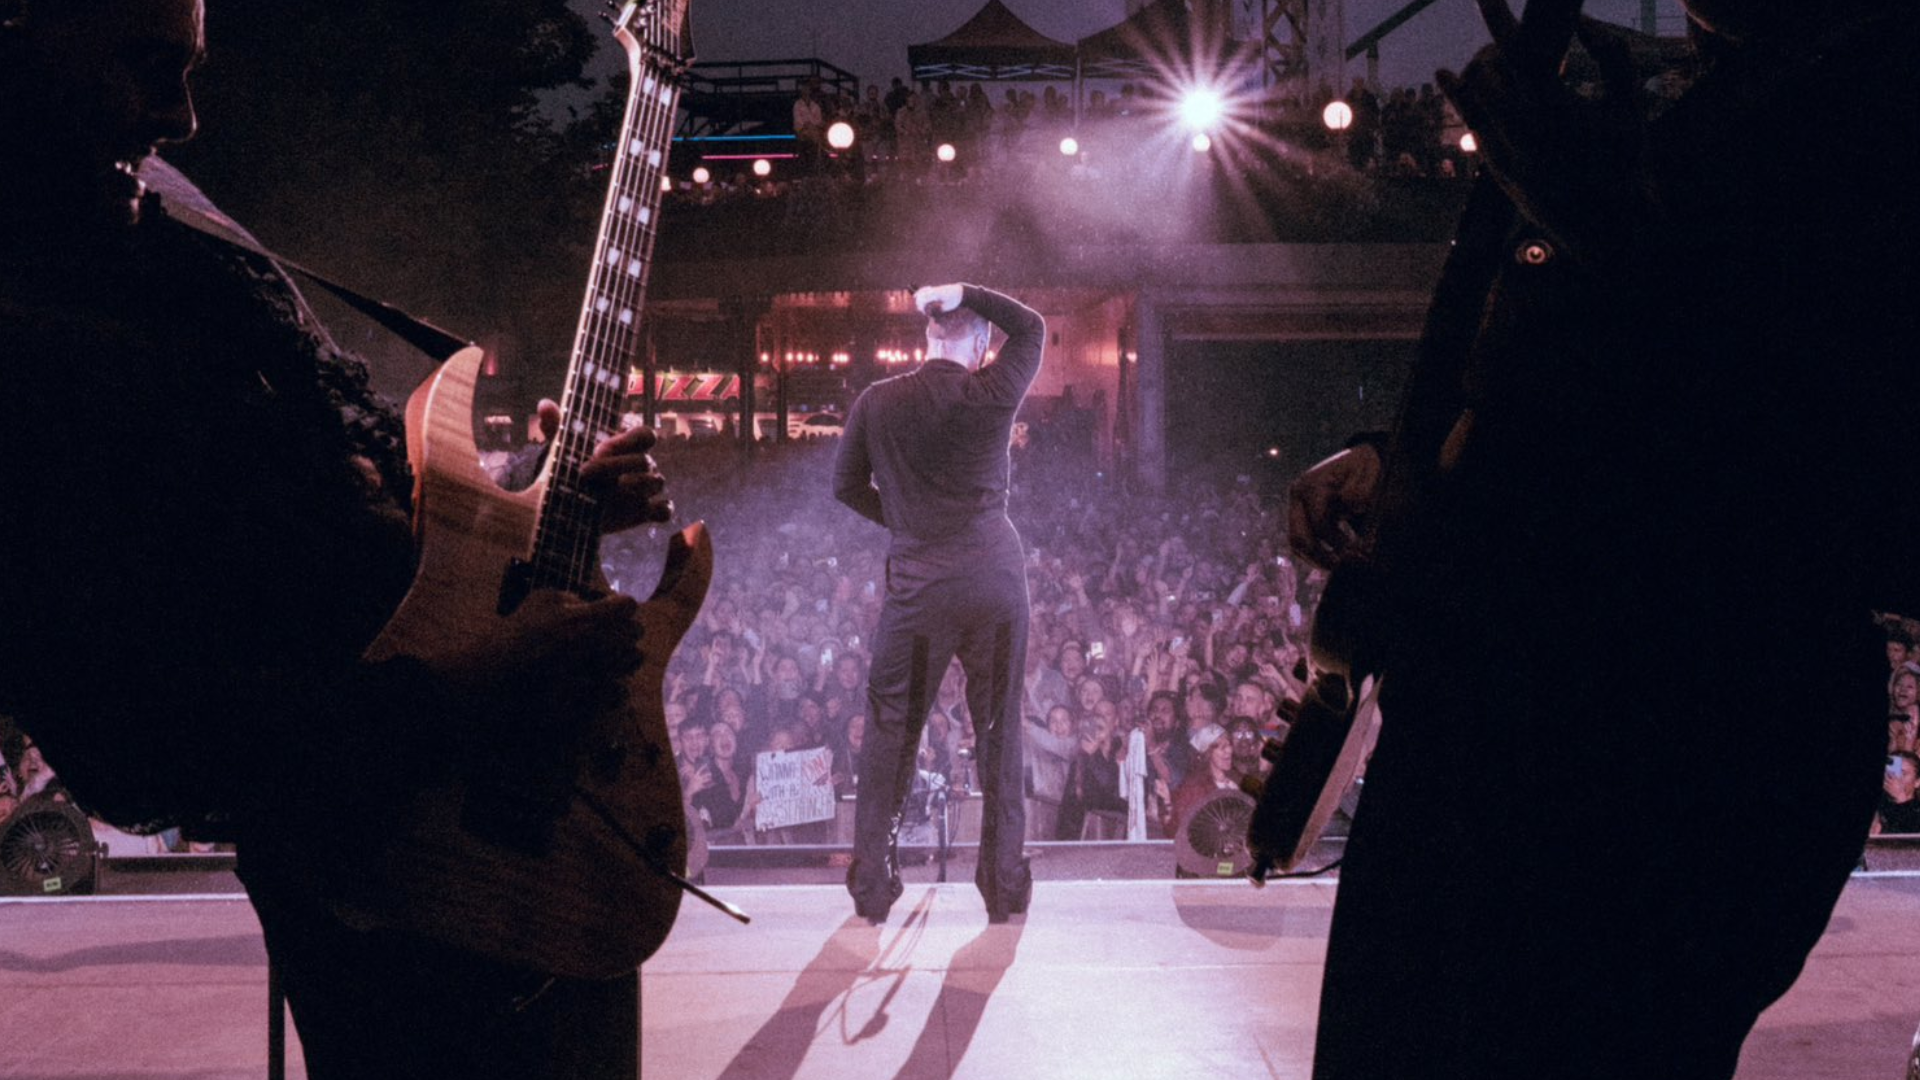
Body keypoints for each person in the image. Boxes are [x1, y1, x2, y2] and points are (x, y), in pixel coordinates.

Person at [0, 3, 676, 1076]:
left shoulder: (165, 218)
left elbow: (357, 477)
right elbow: (136, 745)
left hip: (534, 822)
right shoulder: (30, 327)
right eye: (144, 67)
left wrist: (534, 508)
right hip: (392, 882)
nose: (180, 118)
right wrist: (473, 690)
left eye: (191, 70)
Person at [1286, 2, 1913, 1076]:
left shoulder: (1879, 96)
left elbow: (1837, 446)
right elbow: (1583, 380)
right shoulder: (1727, 89)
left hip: (1673, 725)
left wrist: (1606, 224)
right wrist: (1406, 459)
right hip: (1523, 700)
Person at [833, 282, 1044, 924]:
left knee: (893, 729)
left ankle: (873, 884)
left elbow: (844, 487)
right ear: (980, 342)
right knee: (999, 729)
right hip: (992, 579)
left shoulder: (877, 401)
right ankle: (1004, 887)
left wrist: (904, 519)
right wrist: (968, 290)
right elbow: (1030, 327)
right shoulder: (990, 391)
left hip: (919, 584)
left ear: (926, 336)